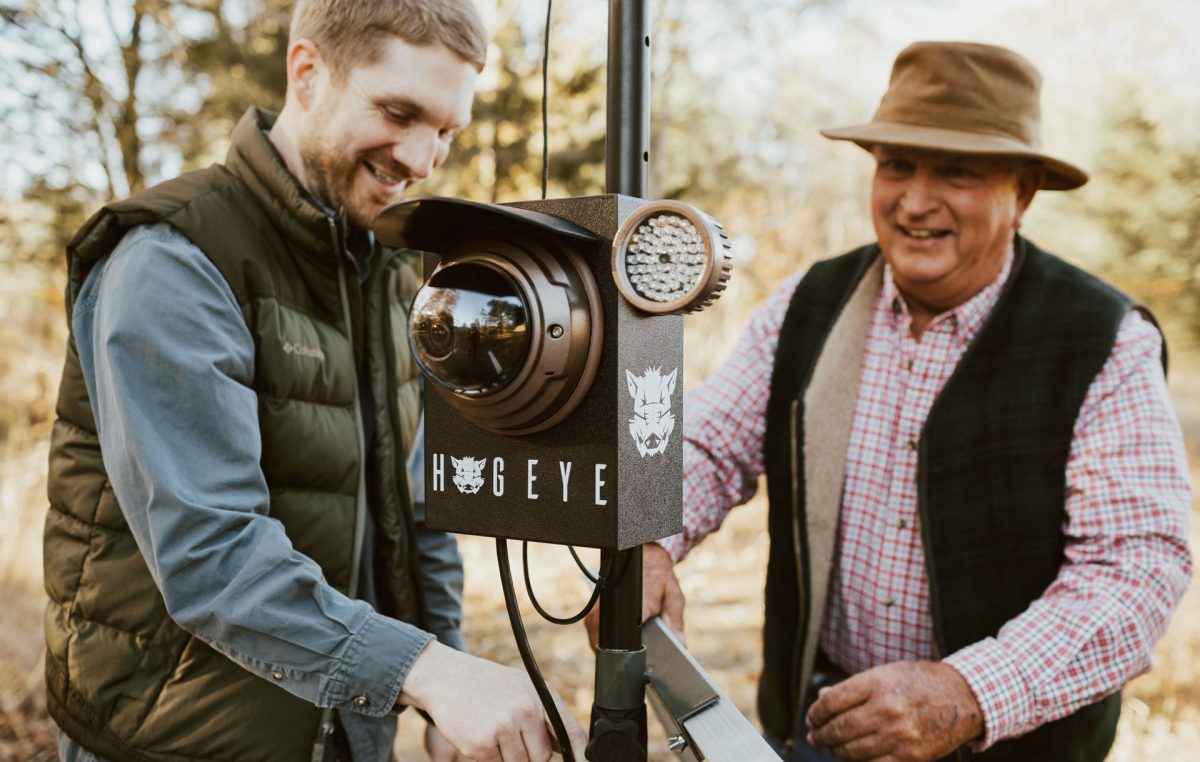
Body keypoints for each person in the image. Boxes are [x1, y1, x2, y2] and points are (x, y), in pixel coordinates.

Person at [43, 2, 586, 761]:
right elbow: (212, 553)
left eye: (447, 131)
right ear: (307, 73)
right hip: (174, 739)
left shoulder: (397, 270)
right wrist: (430, 674)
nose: (425, 160)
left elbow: (415, 505)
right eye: (399, 112)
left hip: (347, 728)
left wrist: (442, 675)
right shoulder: (172, 262)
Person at [621, 41, 1193, 761]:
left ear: (1022, 194)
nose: (915, 201)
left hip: (1014, 743)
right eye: (896, 165)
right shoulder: (808, 304)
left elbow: (1138, 566)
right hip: (822, 729)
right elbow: (708, 442)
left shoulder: (1103, 339)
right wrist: (646, 539)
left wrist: (970, 691)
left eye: (957, 172)